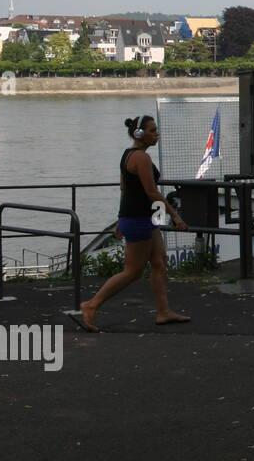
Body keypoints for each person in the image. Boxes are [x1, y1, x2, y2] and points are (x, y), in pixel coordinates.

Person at [77, 115, 190, 331]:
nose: (157, 133)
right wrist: (175, 215)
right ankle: (92, 305)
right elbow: (151, 191)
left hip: (142, 217)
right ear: (140, 133)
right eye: (152, 130)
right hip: (138, 219)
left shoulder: (129, 155)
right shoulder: (141, 158)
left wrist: (121, 218)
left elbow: (124, 189)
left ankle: (164, 312)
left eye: (156, 130)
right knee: (132, 272)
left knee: (159, 261)